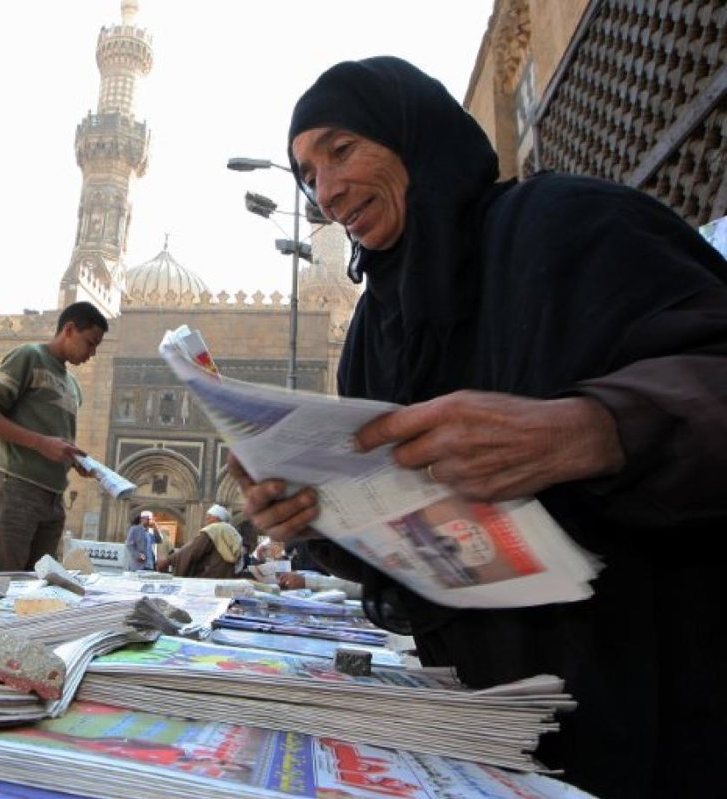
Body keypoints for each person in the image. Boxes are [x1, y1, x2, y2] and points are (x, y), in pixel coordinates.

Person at [229, 56, 727, 798]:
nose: (326, 194)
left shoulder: (567, 228)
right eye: (307, 175)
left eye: (341, 150)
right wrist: (314, 517)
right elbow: (416, 549)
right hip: (496, 728)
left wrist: (588, 429)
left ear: (412, 134)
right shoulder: (376, 332)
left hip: (661, 701)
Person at [0, 301, 108, 572]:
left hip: (53, 498)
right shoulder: (29, 357)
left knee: (38, 587)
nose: (92, 353)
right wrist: (40, 443)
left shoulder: (73, 386)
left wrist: (72, 459)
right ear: (69, 329)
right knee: (3, 582)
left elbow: (54, 438)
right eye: (90, 343)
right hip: (17, 489)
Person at [158, 504, 242, 579]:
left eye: (209, 516)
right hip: (227, 574)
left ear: (216, 517)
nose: (206, 518)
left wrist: (168, 560)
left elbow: (193, 549)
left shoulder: (214, 529)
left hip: (212, 575)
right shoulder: (231, 530)